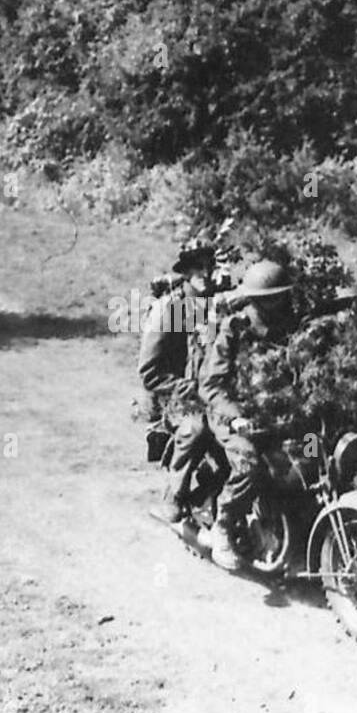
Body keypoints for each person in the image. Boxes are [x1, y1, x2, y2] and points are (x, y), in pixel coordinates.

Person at [197, 259, 296, 570]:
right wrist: (236, 416)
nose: (274, 304)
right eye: (268, 298)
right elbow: (211, 385)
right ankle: (223, 526)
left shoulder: (292, 326)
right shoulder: (234, 328)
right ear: (254, 298)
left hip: (276, 414)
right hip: (232, 414)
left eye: (279, 296)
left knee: (313, 453)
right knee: (250, 462)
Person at [138, 238, 218, 522]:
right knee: (196, 429)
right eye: (198, 267)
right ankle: (174, 496)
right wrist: (188, 388)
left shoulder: (214, 304)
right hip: (175, 397)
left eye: (210, 266)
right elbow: (149, 372)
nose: (206, 273)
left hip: (212, 390)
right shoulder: (168, 310)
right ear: (185, 272)